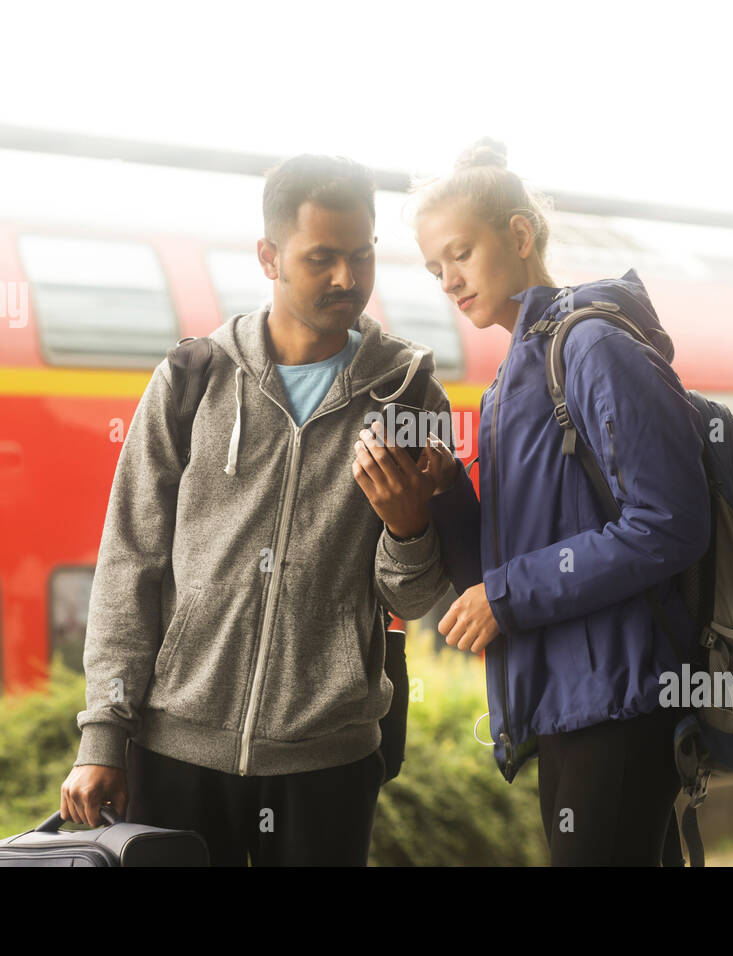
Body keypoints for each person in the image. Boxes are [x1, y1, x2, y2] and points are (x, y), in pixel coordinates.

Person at [61, 154, 455, 866]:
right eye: (321, 258)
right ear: (270, 257)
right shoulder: (192, 379)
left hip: (328, 763)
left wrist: (408, 527)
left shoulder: (409, 398)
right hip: (174, 748)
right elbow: (130, 564)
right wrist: (102, 737)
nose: (347, 278)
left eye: (361, 255)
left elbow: (415, 596)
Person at [385, 137, 711, 866]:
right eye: (436, 267)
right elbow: (512, 561)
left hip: (620, 702)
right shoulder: (514, 375)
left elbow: (669, 524)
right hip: (570, 700)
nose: (448, 279)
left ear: (521, 234)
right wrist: (445, 495)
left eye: (460, 253)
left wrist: (507, 597)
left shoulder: (594, 346)